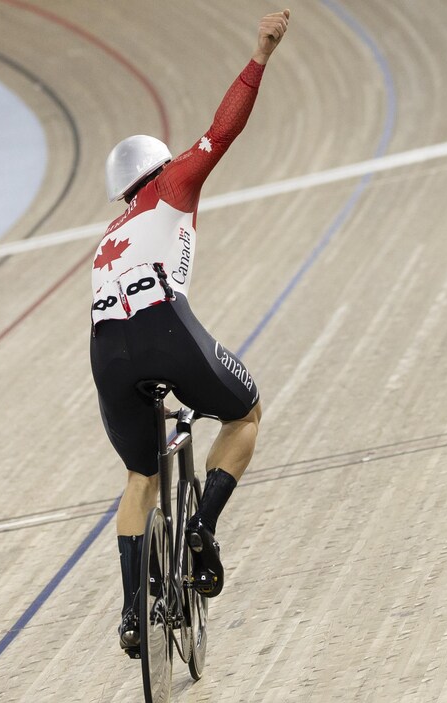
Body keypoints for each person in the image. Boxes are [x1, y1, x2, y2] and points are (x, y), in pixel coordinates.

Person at [89, 9, 290, 656]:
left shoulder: (107, 237)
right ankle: (202, 527)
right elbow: (223, 129)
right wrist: (260, 55)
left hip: (105, 354)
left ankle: (128, 614)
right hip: (162, 329)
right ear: (161, 166)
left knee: (138, 479)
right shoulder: (175, 181)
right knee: (247, 410)